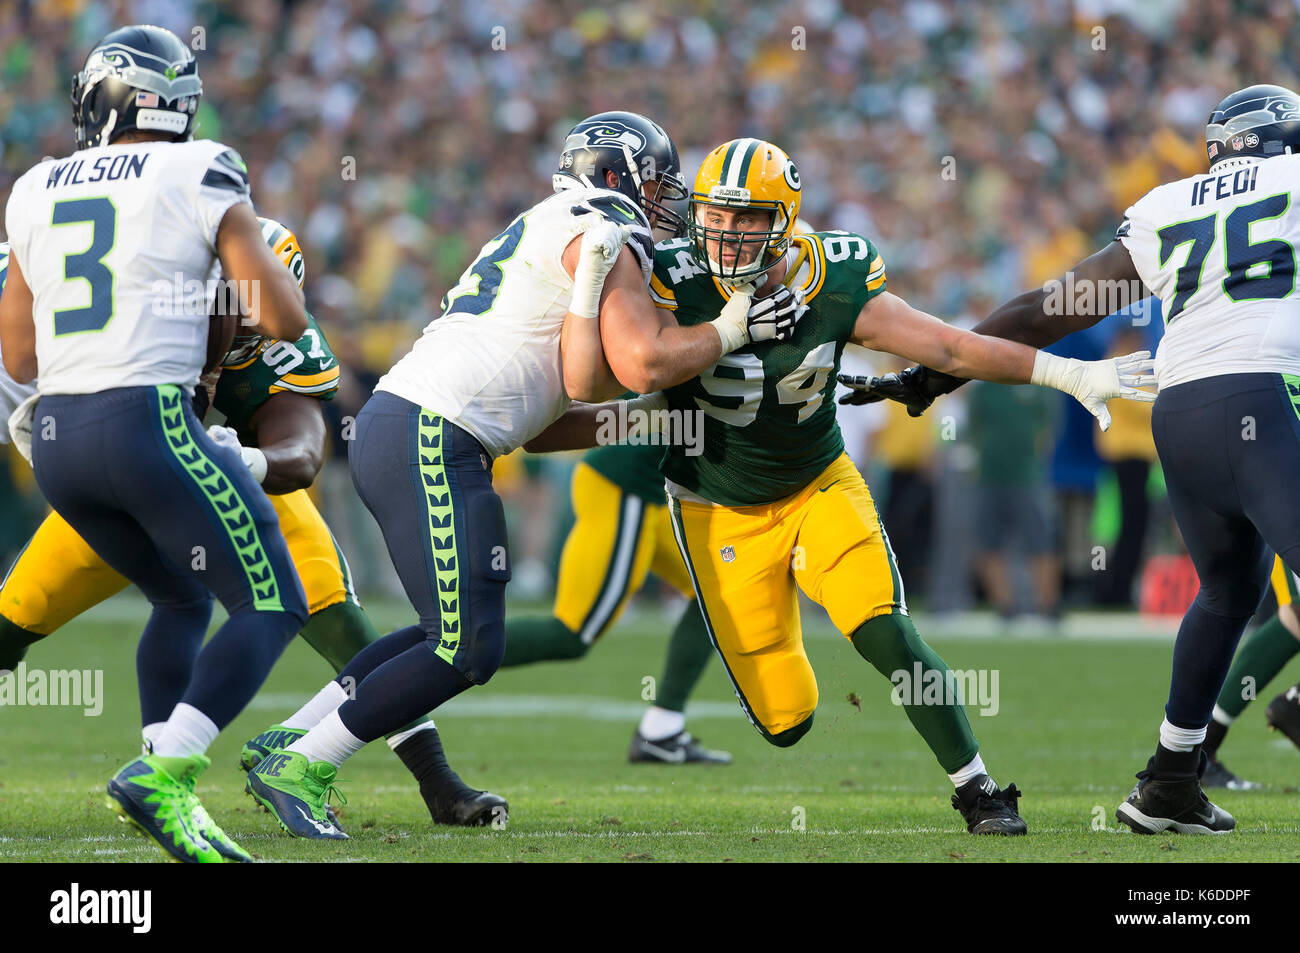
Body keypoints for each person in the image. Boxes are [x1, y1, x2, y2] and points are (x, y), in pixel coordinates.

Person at [535, 137, 1154, 834]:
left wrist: (1066, 373)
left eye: (747, 218)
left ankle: (979, 789)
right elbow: (621, 377)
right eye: (716, 214)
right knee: (786, 720)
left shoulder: (832, 271)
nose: (726, 232)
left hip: (816, 483)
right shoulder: (667, 274)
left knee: (880, 626)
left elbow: (947, 346)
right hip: (716, 508)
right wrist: (532, 420)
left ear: (784, 219)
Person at [244, 112, 800, 838]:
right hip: (433, 432)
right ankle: (306, 764)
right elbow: (636, 363)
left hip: (414, 425)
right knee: (468, 646)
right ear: (615, 174)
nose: (667, 198)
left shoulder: (558, 220)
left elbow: (550, 416)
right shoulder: (606, 223)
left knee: (441, 632)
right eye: (657, 179)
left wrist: (644, 417)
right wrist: (732, 329)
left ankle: (290, 739)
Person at [843, 84, 1300, 835]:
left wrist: (937, 375)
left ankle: (1169, 783)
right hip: (1264, 395)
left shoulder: (1171, 201)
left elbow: (1045, 309)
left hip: (1180, 411)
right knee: (1235, 591)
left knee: (1226, 591)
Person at [0, 218, 505, 827]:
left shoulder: (279, 344)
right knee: (15, 618)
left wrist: (250, 460)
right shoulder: (143, 314)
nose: (252, 316)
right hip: (127, 482)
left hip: (232, 480)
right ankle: (161, 772)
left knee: (334, 610)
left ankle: (437, 783)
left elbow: (304, 452)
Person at [0, 25, 308, 862]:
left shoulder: (33, 186)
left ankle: (168, 795)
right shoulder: (200, 166)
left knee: (181, 597)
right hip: (148, 419)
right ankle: (164, 771)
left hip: (59, 440)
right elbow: (283, 317)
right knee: (276, 601)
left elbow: (19, 354)